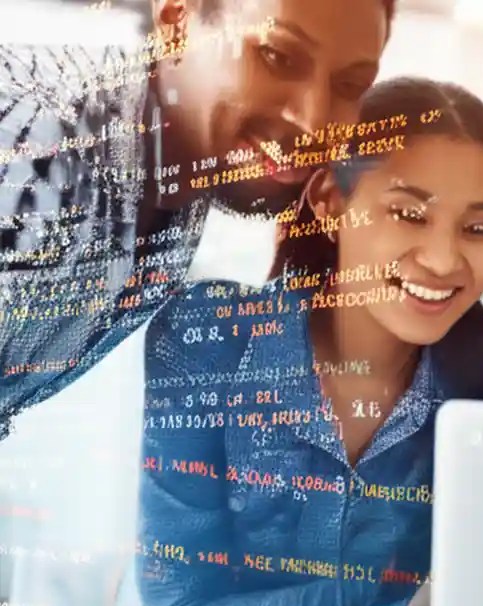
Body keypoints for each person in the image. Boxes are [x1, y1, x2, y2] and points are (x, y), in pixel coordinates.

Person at [80, 78, 483, 606]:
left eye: (477, 227)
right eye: (409, 213)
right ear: (330, 197)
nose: (444, 258)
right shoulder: (207, 340)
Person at [0, 0, 394, 440]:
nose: (313, 120)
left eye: (350, 84)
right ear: (176, 20)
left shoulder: (177, 176)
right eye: (276, 56)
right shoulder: (38, 148)